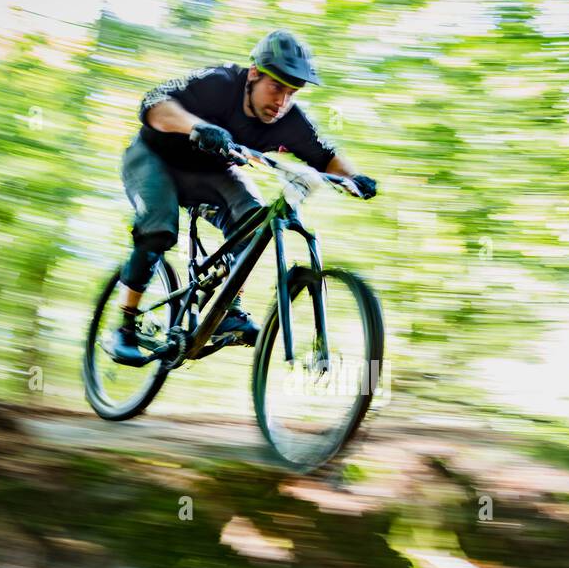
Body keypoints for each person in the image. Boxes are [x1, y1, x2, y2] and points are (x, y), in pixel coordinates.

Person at [109, 29, 377, 365]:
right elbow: (153, 104)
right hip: (153, 158)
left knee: (253, 221)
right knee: (159, 229)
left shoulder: (290, 121)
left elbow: (324, 156)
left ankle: (228, 313)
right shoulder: (219, 83)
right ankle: (125, 328)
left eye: (292, 92)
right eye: (276, 87)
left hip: (209, 173)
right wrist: (196, 126)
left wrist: (353, 178)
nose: (281, 102)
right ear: (254, 74)